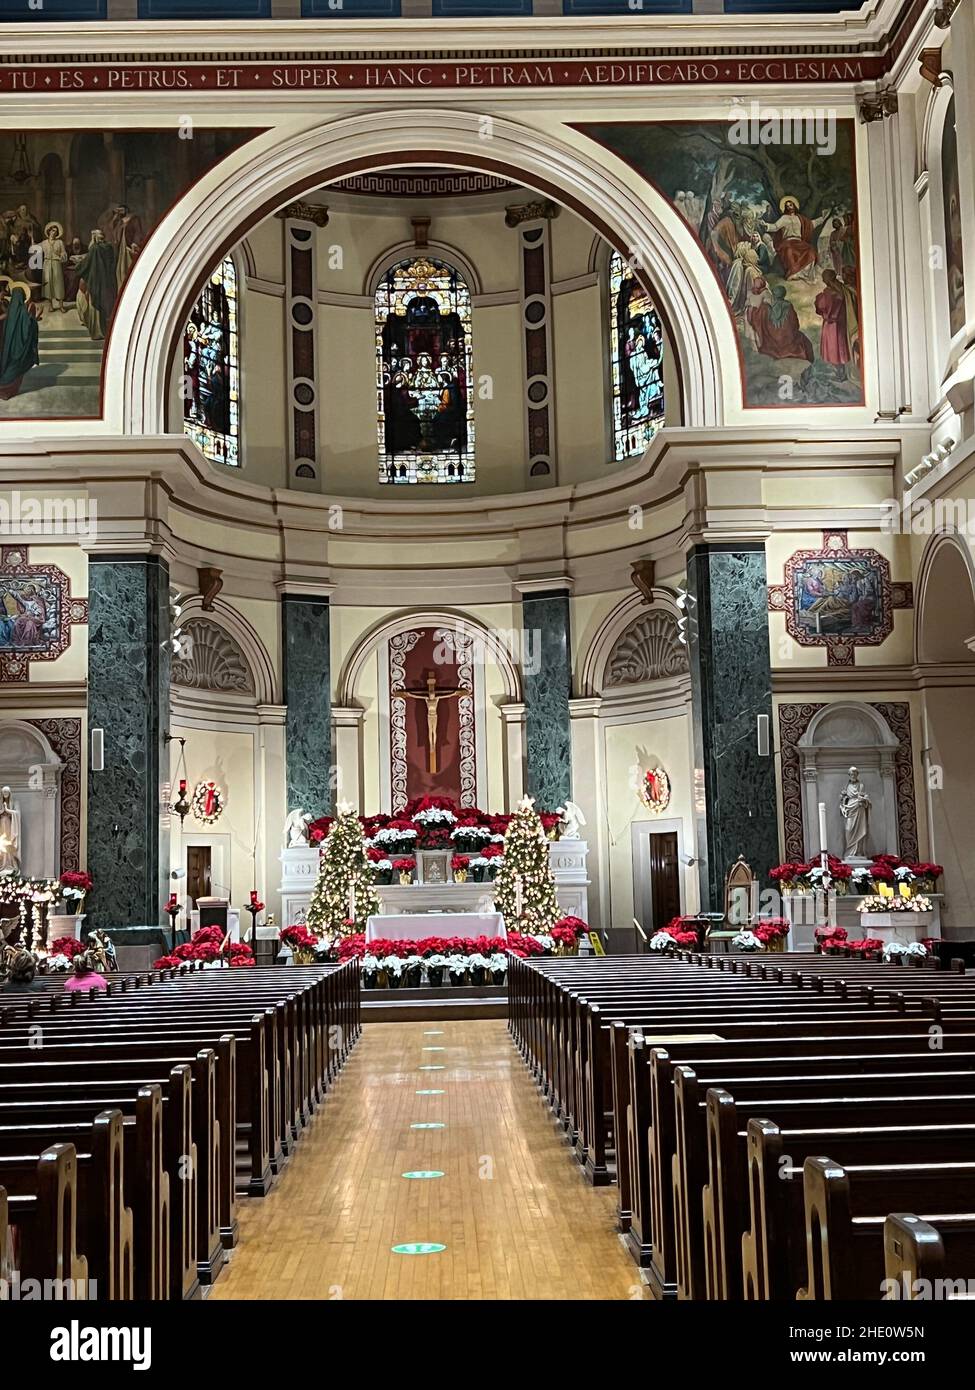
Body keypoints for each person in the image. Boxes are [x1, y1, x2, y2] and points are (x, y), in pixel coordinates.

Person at [0, 284, 41, 401]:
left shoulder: (9, 310)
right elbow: (28, 327)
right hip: (18, 348)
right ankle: (7, 390)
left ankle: (4, 389)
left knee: (6, 363)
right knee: (15, 366)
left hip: (7, 347)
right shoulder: (23, 311)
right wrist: (35, 317)